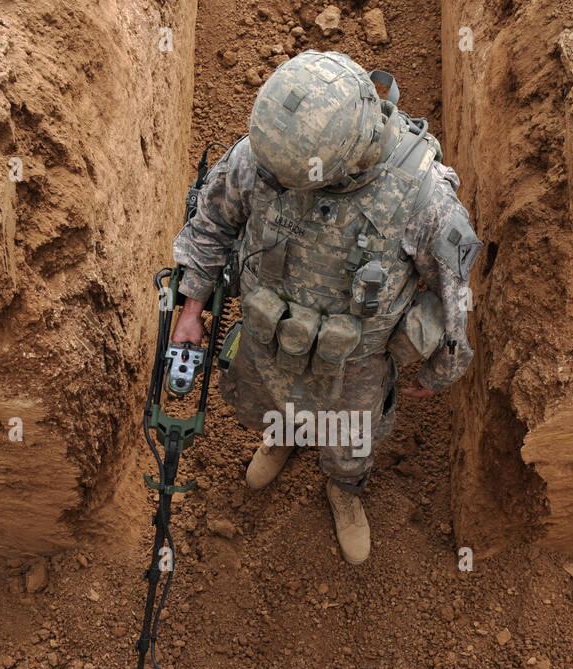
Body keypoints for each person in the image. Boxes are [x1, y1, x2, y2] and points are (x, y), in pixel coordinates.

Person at [170, 50, 480, 565]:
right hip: (271, 336)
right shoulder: (264, 158)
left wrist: (443, 368)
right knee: (274, 401)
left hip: (355, 359)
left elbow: (453, 294)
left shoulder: (425, 200)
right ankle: (283, 438)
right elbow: (213, 225)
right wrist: (190, 309)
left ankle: (343, 488)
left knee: (348, 441)